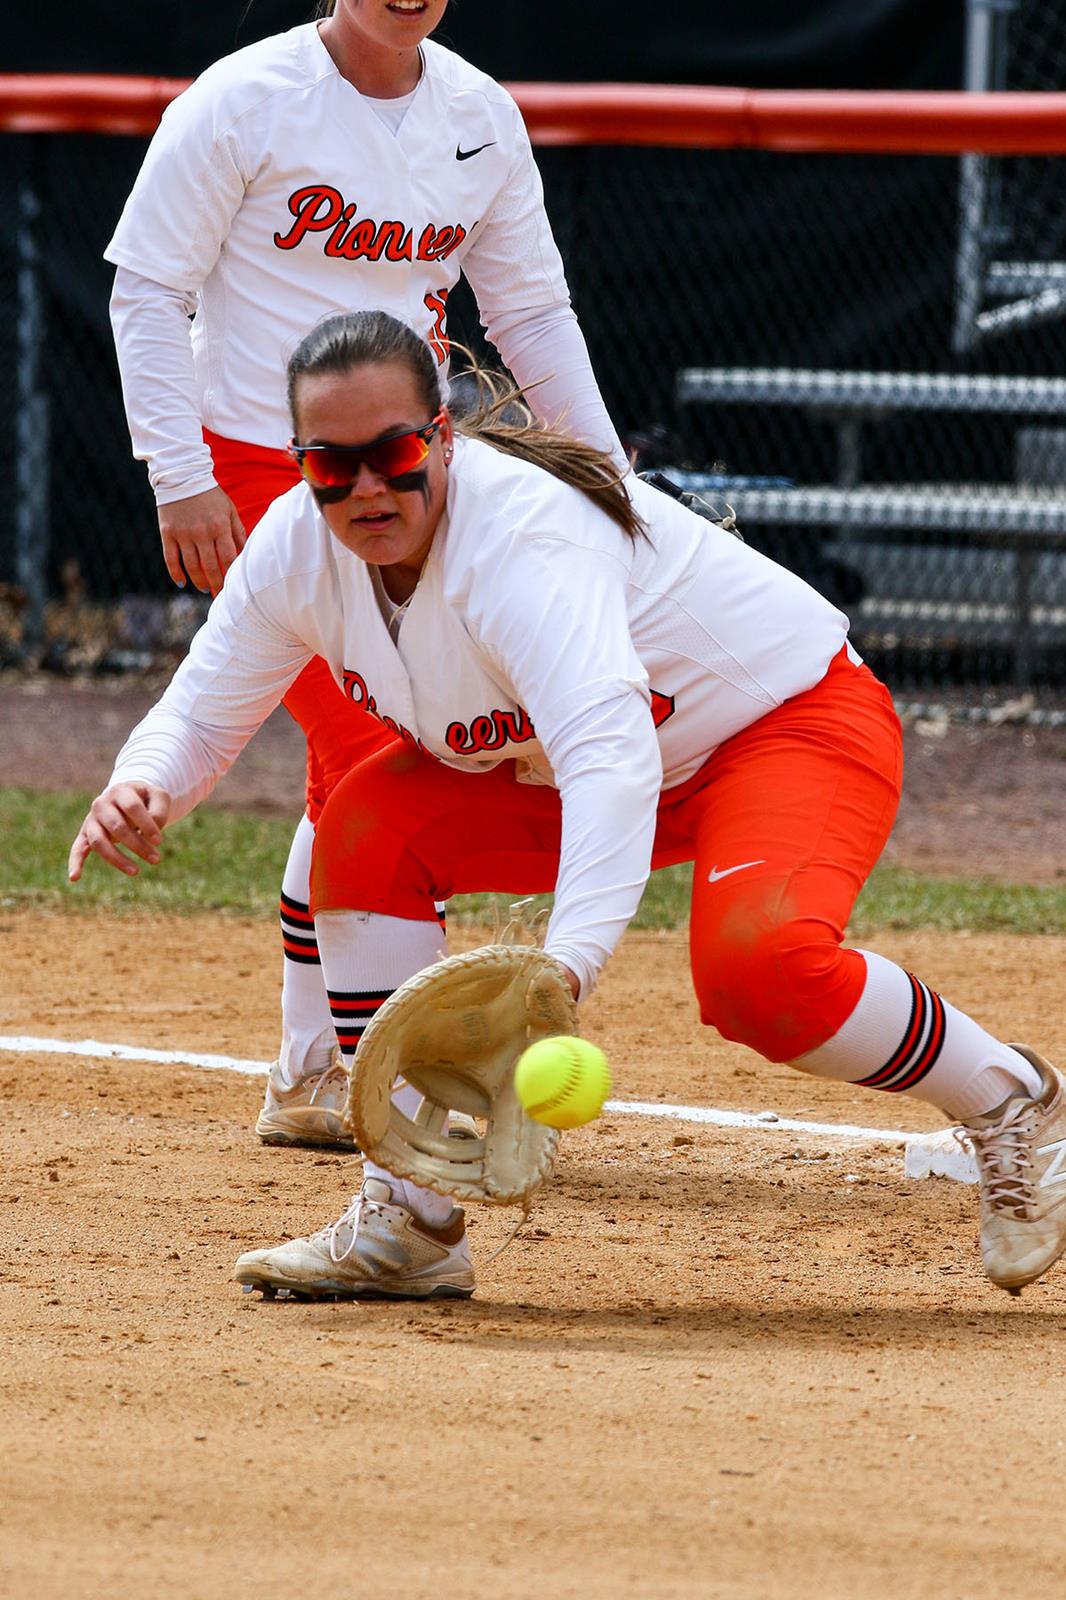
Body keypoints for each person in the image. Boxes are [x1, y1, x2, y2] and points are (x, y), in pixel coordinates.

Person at [71, 310, 1066, 1303]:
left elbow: (610, 757)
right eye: (333, 464)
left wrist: (566, 966)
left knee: (756, 973)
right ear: (301, 464)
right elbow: (203, 709)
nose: (367, 485)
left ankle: (1009, 1097)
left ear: (441, 437)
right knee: (365, 823)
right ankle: (408, 1214)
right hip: (560, 764)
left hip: (780, 727)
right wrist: (144, 784)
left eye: (394, 451)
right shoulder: (298, 549)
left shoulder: (519, 538)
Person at [104, 0, 623, 1153]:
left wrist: (598, 472)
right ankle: (400, 1076)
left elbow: (531, 309)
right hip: (261, 460)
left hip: (415, 468)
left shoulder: (478, 112)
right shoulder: (245, 100)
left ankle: (310, 1071)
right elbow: (146, 289)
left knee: (366, 763)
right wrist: (180, 476)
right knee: (369, 757)